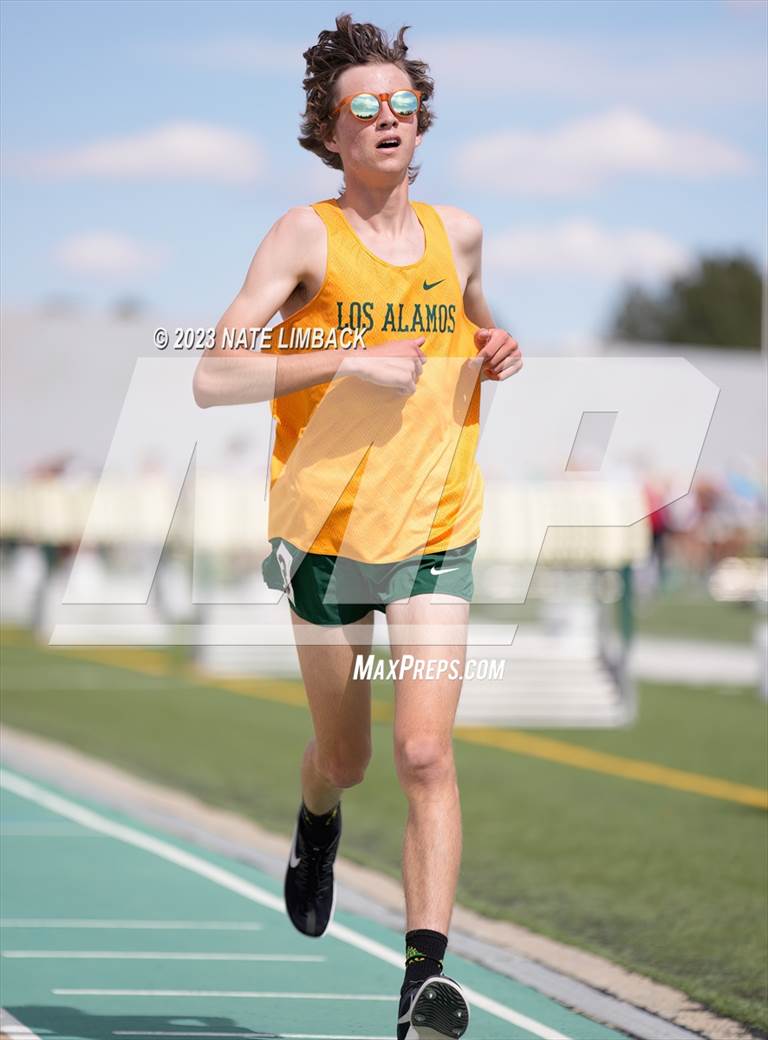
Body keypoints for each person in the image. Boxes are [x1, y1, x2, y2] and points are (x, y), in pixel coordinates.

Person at [193, 13, 523, 1039]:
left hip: (435, 524)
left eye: (402, 106)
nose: (387, 120)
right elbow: (213, 374)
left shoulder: (456, 231)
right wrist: (340, 358)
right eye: (363, 109)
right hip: (328, 531)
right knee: (349, 757)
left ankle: (421, 982)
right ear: (331, 133)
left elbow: (471, 314)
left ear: (421, 125)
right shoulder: (304, 237)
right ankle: (317, 816)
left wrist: (496, 341)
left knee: (426, 753)